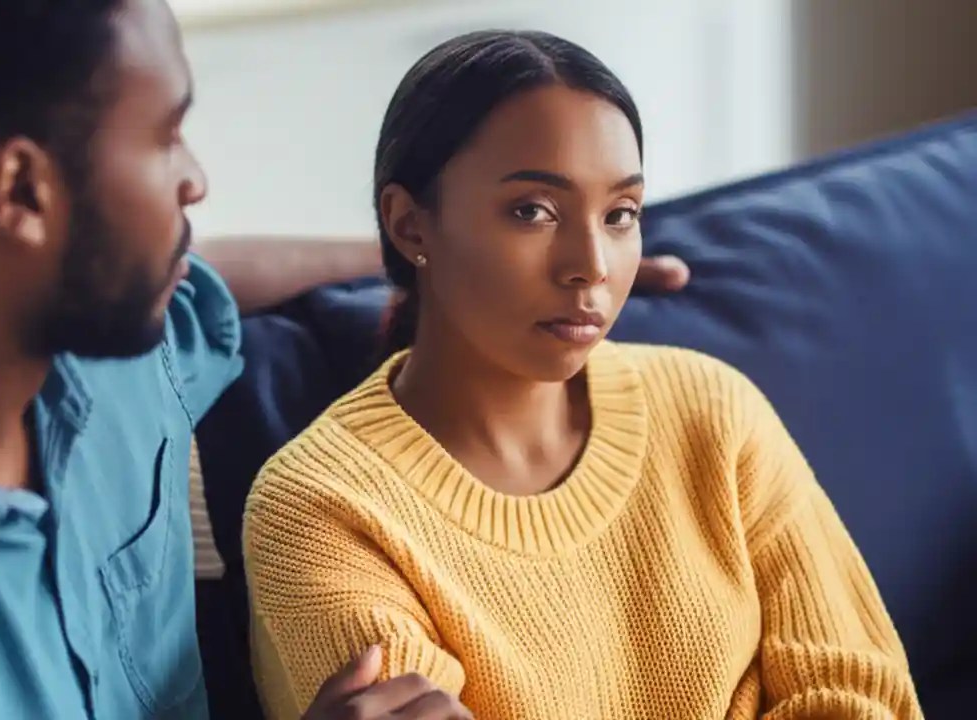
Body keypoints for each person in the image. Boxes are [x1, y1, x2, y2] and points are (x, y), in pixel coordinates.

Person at [0, 2, 686, 718]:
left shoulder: (100, 346)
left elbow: (210, 274)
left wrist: (454, 261)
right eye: (165, 135)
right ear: (23, 193)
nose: (194, 178)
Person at [243, 30, 922, 720]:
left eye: (620, 214)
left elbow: (861, 700)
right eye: (532, 210)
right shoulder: (322, 509)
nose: (592, 264)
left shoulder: (713, 411)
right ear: (410, 226)